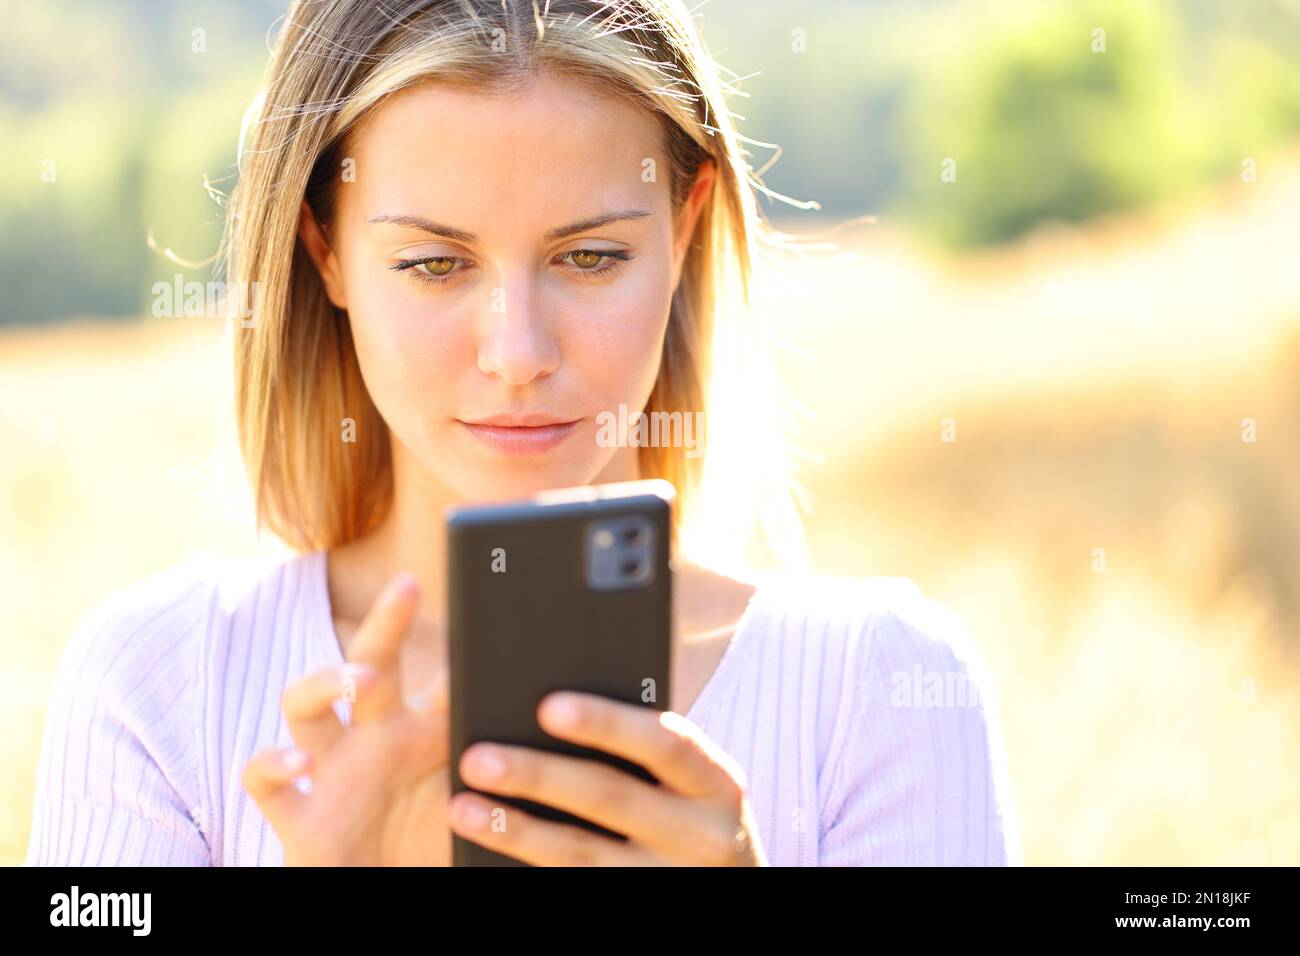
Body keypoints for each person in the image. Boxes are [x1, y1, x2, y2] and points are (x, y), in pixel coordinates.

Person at [25, 0, 1020, 866]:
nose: (517, 351)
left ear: (682, 229)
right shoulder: (156, 689)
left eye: (589, 256)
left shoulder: (878, 690)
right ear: (324, 252)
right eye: (432, 264)